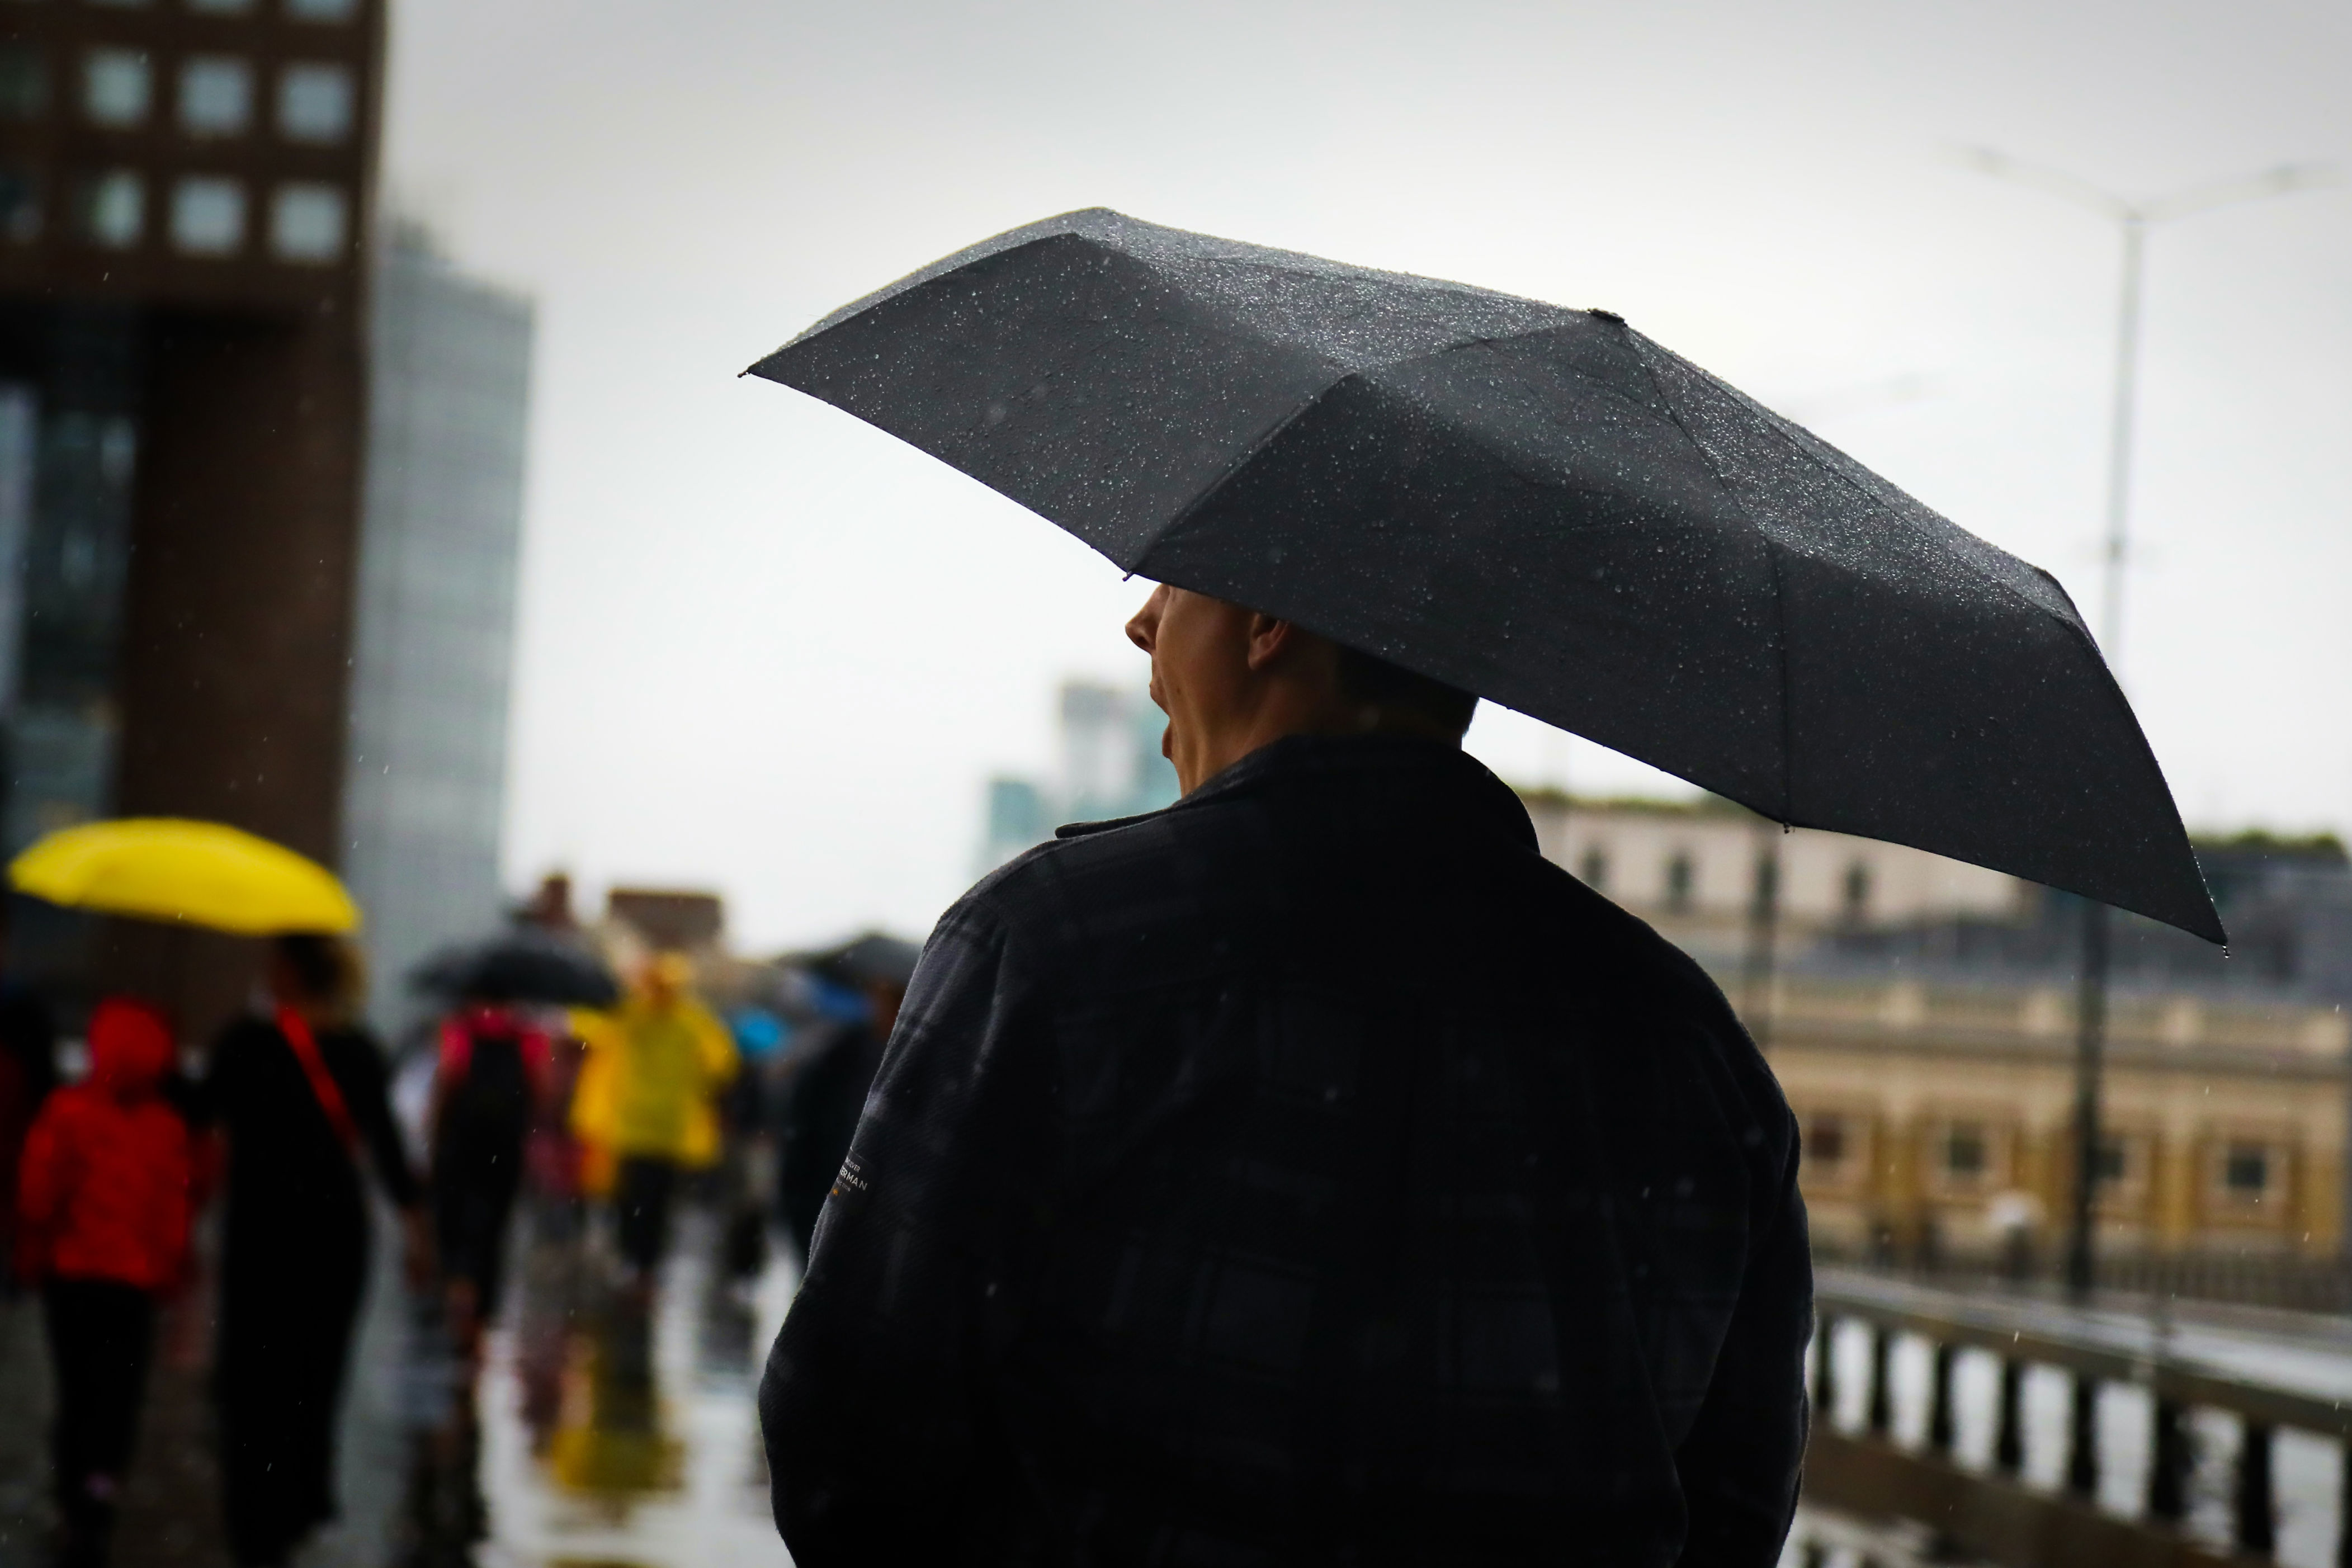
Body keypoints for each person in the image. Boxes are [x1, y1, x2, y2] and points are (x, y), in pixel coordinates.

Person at [761, 585, 1811, 1567]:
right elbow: (1735, 1497)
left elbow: (852, 1428)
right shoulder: (1686, 1037)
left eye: (1173, 587)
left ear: (1267, 621)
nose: (1141, 625)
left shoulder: (1055, 944)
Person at [196, 934, 428, 1568]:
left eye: (273, 962)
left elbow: (195, 1115)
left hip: (259, 1234)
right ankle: (297, 1501)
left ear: (293, 972)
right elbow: (387, 1153)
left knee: (250, 1371)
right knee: (313, 1374)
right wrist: (415, 1231)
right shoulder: (358, 1049)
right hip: (334, 1238)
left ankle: (253, 1511)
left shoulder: (245, 1043)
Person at [14, 998, 192, 1568]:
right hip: (132, 1287)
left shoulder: (68, 1109)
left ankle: (71, 1496)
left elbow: (39, 1192)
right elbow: (174, 1211)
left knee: (75, 1390)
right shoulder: (167, 1127)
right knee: (117, 1397)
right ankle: (99, 1488)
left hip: (72, 1279)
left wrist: (31, 1250)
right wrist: (169, 1273)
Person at [568, 952, 735, 1284]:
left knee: (639, 1200)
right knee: (647, 1202)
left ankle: (638, 1263)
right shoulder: (688, 1020)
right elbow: (723, 1064)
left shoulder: (647, 1017)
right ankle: (642, 1264)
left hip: (647, 1131)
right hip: (654, 1132)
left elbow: (590, 1030)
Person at [773, 935, 917, 1265]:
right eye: (881, 994)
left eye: (896, 996)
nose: (887, 1006)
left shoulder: (927, 1063)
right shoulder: (834, 1060)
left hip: (892, 1225)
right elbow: (802, 1142)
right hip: (830, 1205)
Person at [428, 998, 549, 1357]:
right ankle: (480, 1314)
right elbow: (540, 1090)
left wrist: (435, 1132)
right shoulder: (528, 1035)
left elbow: (448, 1080)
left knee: (455, 1216)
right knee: (493, 1227)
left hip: (461, 1140)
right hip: (505, 1147)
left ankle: (459, 1282)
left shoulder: (460, 1028)